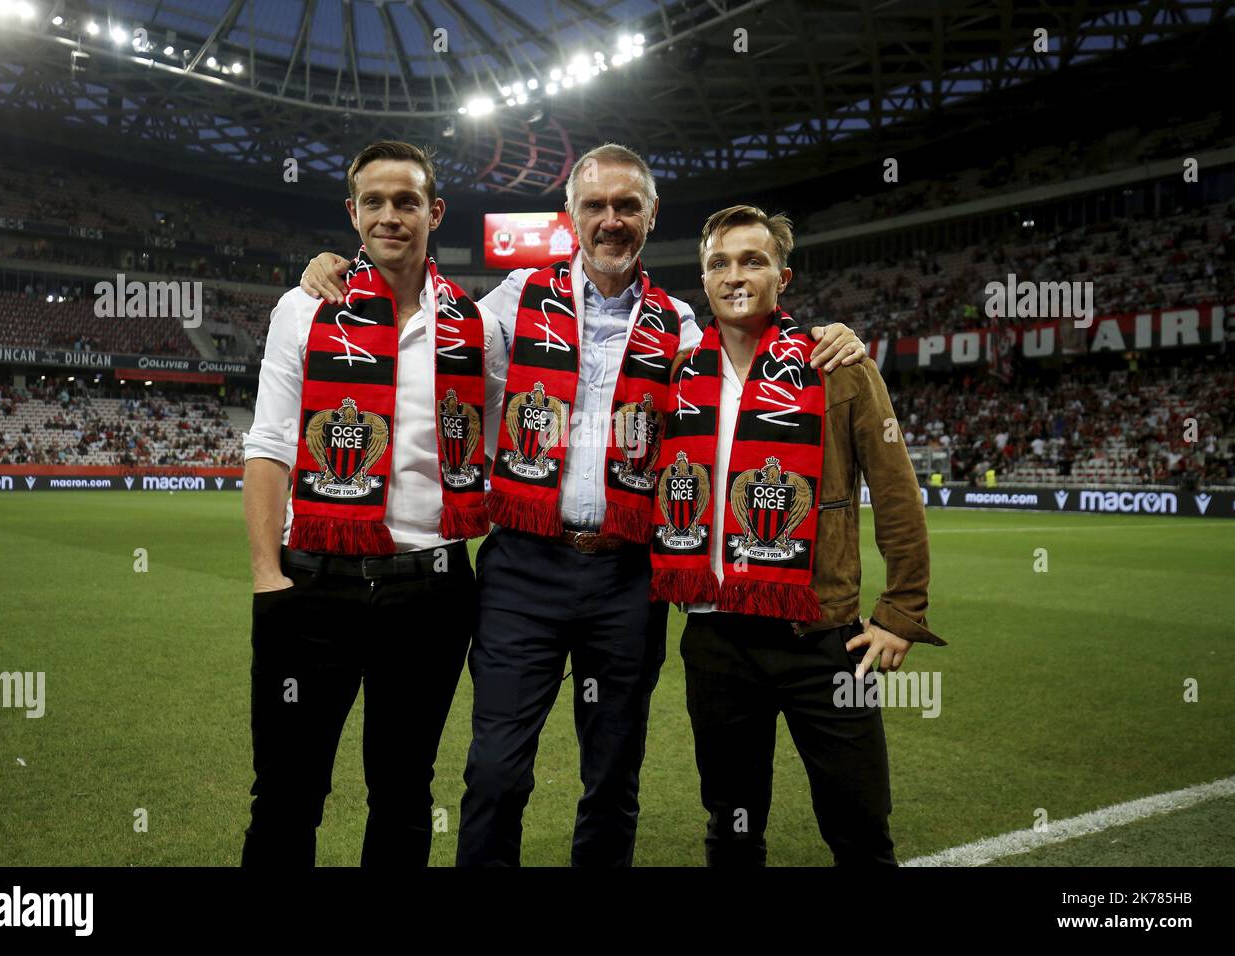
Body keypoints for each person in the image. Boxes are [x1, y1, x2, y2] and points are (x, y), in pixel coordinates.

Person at [300, 143, 867, 867]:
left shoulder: (684, 330)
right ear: (570, 215)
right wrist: (341, 269)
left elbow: (752, 358)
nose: (610, 220)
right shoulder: (509, 303)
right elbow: (418, 333)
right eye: (594, 205)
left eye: (627, 206)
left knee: (612, 775)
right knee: (496, 771)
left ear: (650, 215)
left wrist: (824, 335)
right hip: (522, 572)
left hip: (627, 579)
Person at [240, 141, 508, 866]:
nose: (391, 216)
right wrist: (269, 578)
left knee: (402, 792)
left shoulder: (476, 329)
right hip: (315, 585)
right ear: (352, 212)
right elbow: (267, 443)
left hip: (431, 593)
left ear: (434, 211)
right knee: (288, 793)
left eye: (408, 201)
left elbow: (497, 437)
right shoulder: (303, 307)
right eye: (376, 202)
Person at [650, 204, 943, 866]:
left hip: (822, 638)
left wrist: (901, 612)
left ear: (784, 276)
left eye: (752, 260)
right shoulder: (678, 374)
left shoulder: (837, 364)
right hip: (717, 638)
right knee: (731, 827)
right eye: (719, 262)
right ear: (703, 279)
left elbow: (895, 492)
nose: (735, 274)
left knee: (860, 825)